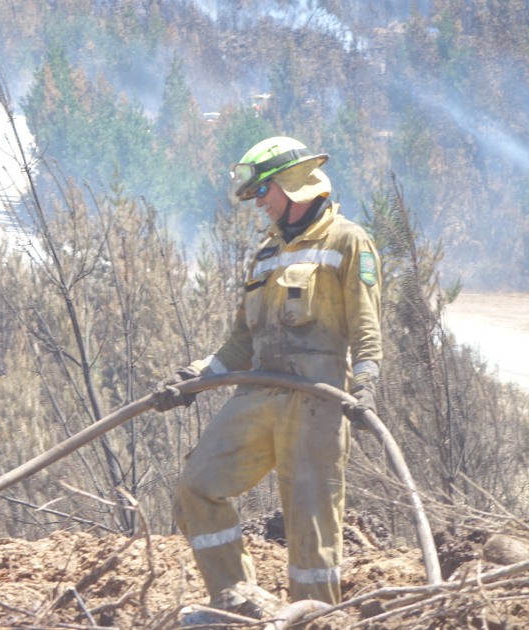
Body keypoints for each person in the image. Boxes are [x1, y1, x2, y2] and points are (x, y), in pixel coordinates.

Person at [153, 136, 382, 614]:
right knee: (198, 485)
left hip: (318, 398)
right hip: (260, 390)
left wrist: (365, 386)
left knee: (311, 525)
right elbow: (240, 342)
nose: (258, 203)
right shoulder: (265, 253)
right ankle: (238, 603)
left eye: (263, 192)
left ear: (291, 185)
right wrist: (193, 378)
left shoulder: (347, 240)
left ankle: (313, 621)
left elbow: (366, 324)